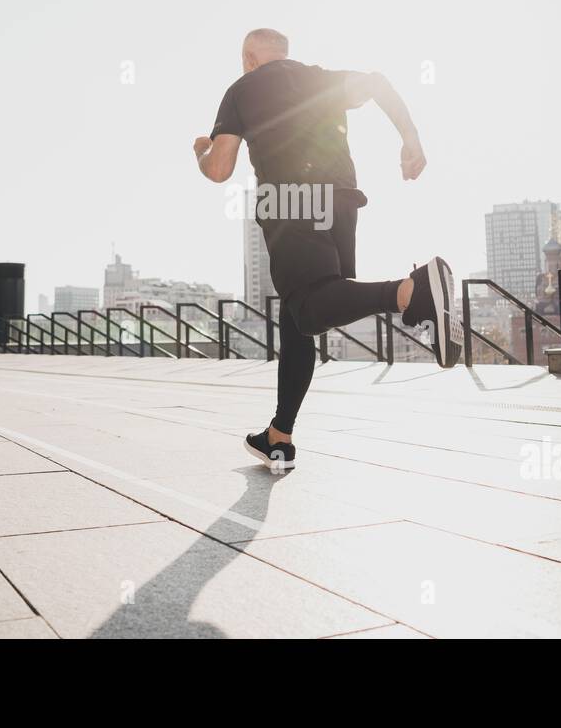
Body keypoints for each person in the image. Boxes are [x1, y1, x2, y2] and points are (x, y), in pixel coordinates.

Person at [193, 28, 462, 471]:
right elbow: (378, 83)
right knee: (302, 317)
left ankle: (411, 292)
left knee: (312, 309)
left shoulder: (242, 88)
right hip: (341, 201)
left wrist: (201, 150)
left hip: (290, 201)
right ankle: (279, 437)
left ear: (248, 56)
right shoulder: (320, 77)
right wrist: (410, 138)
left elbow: (220, 168)